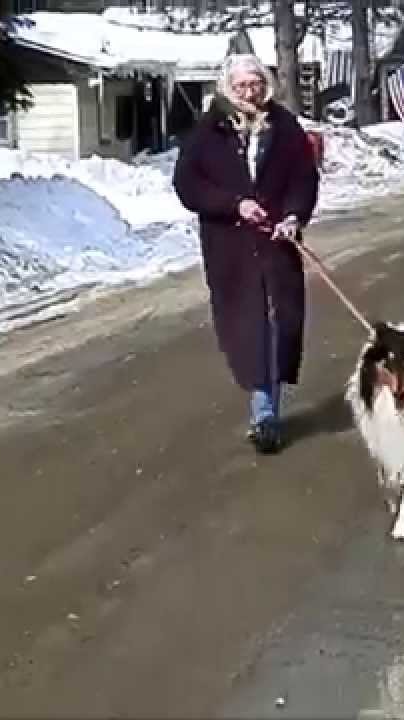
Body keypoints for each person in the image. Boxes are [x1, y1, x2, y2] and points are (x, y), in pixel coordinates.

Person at [172, 54, 321, 454]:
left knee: (281, 322)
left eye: (254, 84)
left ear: (265, 85)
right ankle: (263, 414)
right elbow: (187, 184)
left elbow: (305, 178)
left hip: (276, 240)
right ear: (227, 87)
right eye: (240, 86)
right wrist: (233, 204)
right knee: (248, 326)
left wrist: (293, 215)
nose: (249, 92)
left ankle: (268, 404)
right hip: (230, 247)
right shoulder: (208, 130)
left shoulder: (285, 127)